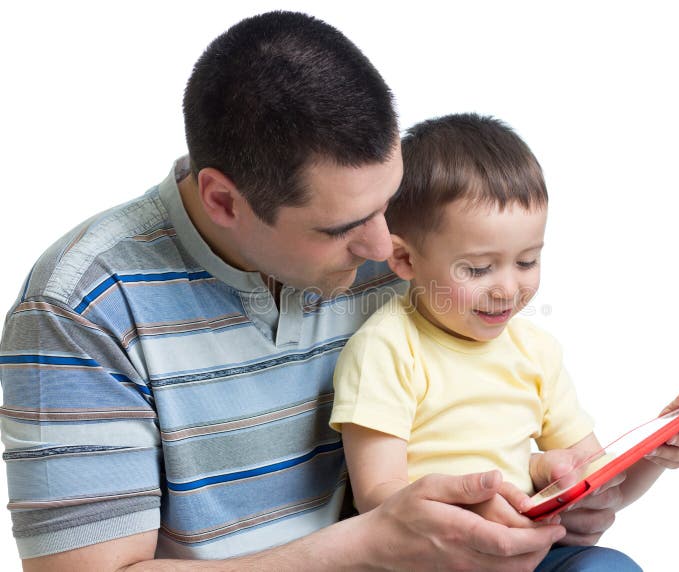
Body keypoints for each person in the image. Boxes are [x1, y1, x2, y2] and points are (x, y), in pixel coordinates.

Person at [0, 11, 626, 572]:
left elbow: (489, 404)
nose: (384, 249)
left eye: (388, 203)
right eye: (344, 228)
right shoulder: (81, 307)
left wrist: (551, 496)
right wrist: (369, 543)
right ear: (224, 201)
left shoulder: (406, 254)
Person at [330, 113, 679, 571]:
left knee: (609, 566)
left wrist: (655, 456)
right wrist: (468, 521)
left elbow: (601, 489)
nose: (507, 289)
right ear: (405, 258)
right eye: (478, 269)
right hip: (429, 558)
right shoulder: (387, 348)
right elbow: (376, 497)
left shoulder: (534, 351)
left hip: (530, 554)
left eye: (527, 261)